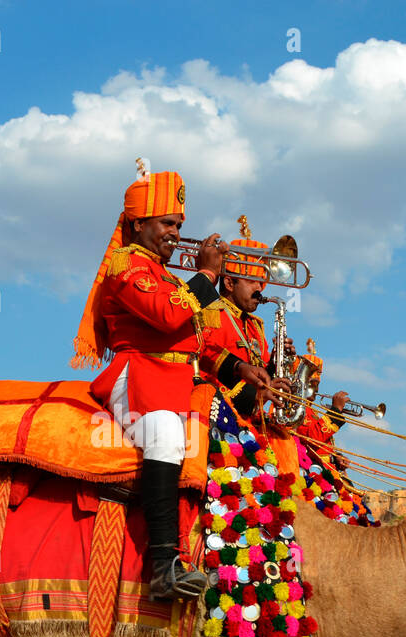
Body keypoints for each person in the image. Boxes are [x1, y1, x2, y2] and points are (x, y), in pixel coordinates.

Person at [73, 163, 225, 600]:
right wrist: (208, 275)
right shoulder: (124, 266)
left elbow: (204, 332)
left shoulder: (165, 274)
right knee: (164, 436)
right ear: (138, 224)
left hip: (175, 380)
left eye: (179, 224)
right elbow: (168, 314)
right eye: (167, 223)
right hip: (137, 375)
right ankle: (163, 565)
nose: (175, 232)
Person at [196, 216, 295, 420]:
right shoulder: (211, 313)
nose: (260, 288)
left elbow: (262, 377)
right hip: (213, 413)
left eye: (262, 282)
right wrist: (252, 397)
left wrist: (277, 362)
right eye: (253, 282)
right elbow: (205, 367)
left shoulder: (255, 326)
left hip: (246, 415)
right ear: (230, 283)